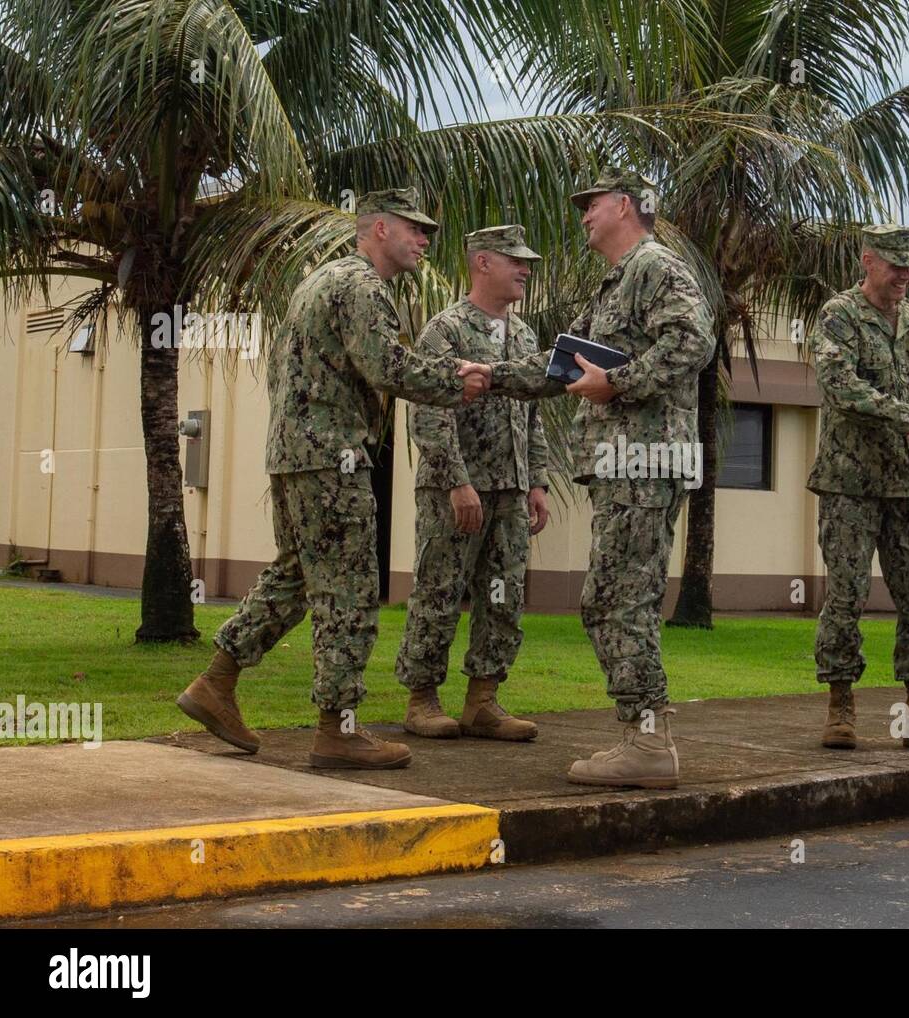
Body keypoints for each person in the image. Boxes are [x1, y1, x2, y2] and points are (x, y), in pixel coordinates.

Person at [177, 187, 491, 770]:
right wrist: (457, 377)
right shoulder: (364, 287)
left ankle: (215, 683)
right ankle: (337, 729)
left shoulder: (319, 281)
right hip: (332, 461)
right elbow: (385, 366)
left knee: (296, 575)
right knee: (348, 593)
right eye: (414, 229)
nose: (425, 241)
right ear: (378, 230)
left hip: (295, 457)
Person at [465, 168, 715, 789]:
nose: (582, 215)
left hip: (645, 462)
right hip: (623, 466)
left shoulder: (655, 268)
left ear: (624, 206)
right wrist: (488, 375)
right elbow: (560, 369)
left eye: (591, 204)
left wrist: (619, 382)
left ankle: (649, 743)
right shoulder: (617, 284)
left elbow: (693, 341)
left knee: (615, 598)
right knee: (615, 597)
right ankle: (644, 735)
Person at [807, 224, 909, 752]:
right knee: (846, 596)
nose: (905, 274)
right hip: (849, 484)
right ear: (867, 261)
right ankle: (841, 706)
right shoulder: (838, 315)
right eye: (895, 264)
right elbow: (841, 385)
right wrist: (908, 419)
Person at [396, 225, 550, 742]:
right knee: (439, 590)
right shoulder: (446, 330)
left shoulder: (525, 336)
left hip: (510, 488)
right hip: (455, 489)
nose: (525, 269)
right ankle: (422, 700)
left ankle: (483, 700)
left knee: (503, 597)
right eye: (515, 261)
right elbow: (430, 414)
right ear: (482, 263)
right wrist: (456, 482)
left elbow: (532, 416)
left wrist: (537, 482)